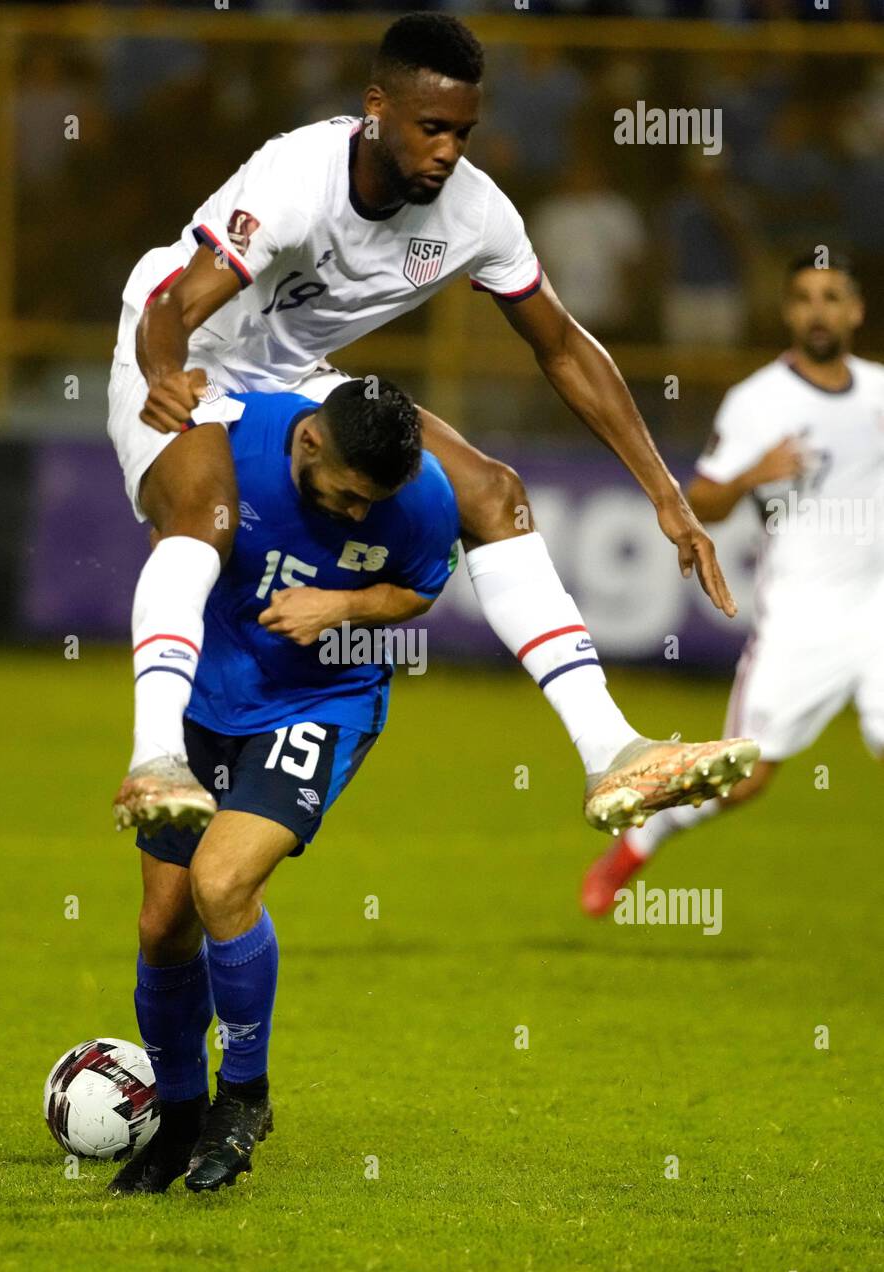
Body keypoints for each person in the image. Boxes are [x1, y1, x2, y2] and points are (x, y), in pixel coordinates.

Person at [107, 11, 753, 845]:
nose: (448, 150)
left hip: (292, 372)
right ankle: (155, 757)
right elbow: (176, 306)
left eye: (463, 131)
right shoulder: (296, 177)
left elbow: (561, 346)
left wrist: (666, 493)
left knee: (491, 491)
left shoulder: (477, 214)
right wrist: (164, 377)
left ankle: (611, 749)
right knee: (205, 509)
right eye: (431, 128)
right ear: (377, 108)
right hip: (182, 350)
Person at [110, 378, 459, 1196]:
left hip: (319, 701)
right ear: (307, 445)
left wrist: (344, 607)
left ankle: (245, 1096)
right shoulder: (225, 443)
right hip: (206, 696)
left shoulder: (424, 497)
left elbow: (422, 584)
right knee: (163, 925)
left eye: (374, 504)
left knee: (221, 882)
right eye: (344, 497)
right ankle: (180, 1117)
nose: (358, 516)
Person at [582, 253, 884, 916]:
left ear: (856, 310)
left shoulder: (878, 393)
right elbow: (703, 500)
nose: (819, 310)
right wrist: (756, 472)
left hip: (880, 609)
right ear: (788, 312)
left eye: (832, 296)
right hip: (804, 615)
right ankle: (636, 844)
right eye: (805, 297)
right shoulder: (759, 400)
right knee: (743, 777)